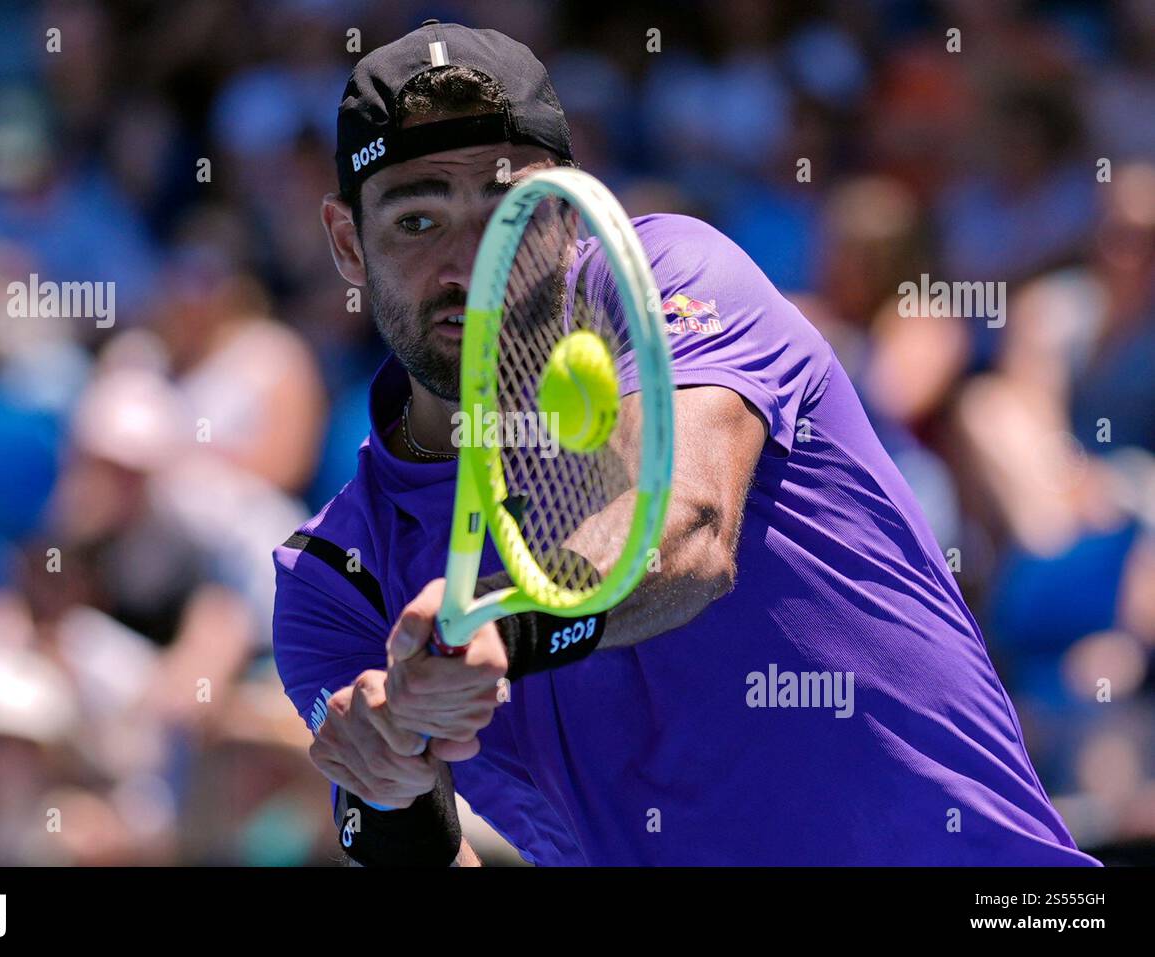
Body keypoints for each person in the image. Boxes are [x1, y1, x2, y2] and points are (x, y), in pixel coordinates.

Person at [272, 21, 1098, 866]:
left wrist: (507, 632)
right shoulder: (332, 582)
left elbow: (686, 532)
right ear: (347, 242)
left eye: (503, 206)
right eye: (416, 221)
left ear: (566, 211)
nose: (469, 265)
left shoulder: (674, 275)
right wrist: (392, 792)